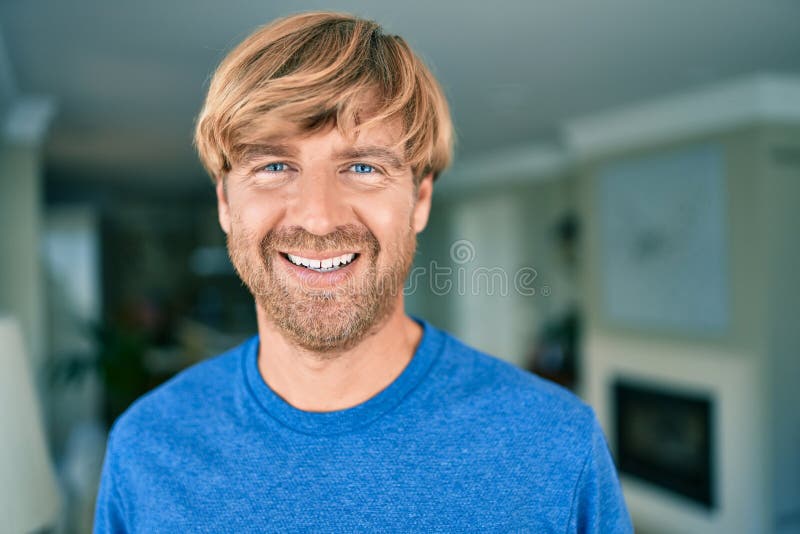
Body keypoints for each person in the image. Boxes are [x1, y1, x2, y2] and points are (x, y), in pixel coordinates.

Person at [94, 11, 632, 532]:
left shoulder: (554, 446)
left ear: (419, 200)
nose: (319, 216)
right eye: (274, 165)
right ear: (225, 204)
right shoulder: (146, 448)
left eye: (362, 167)